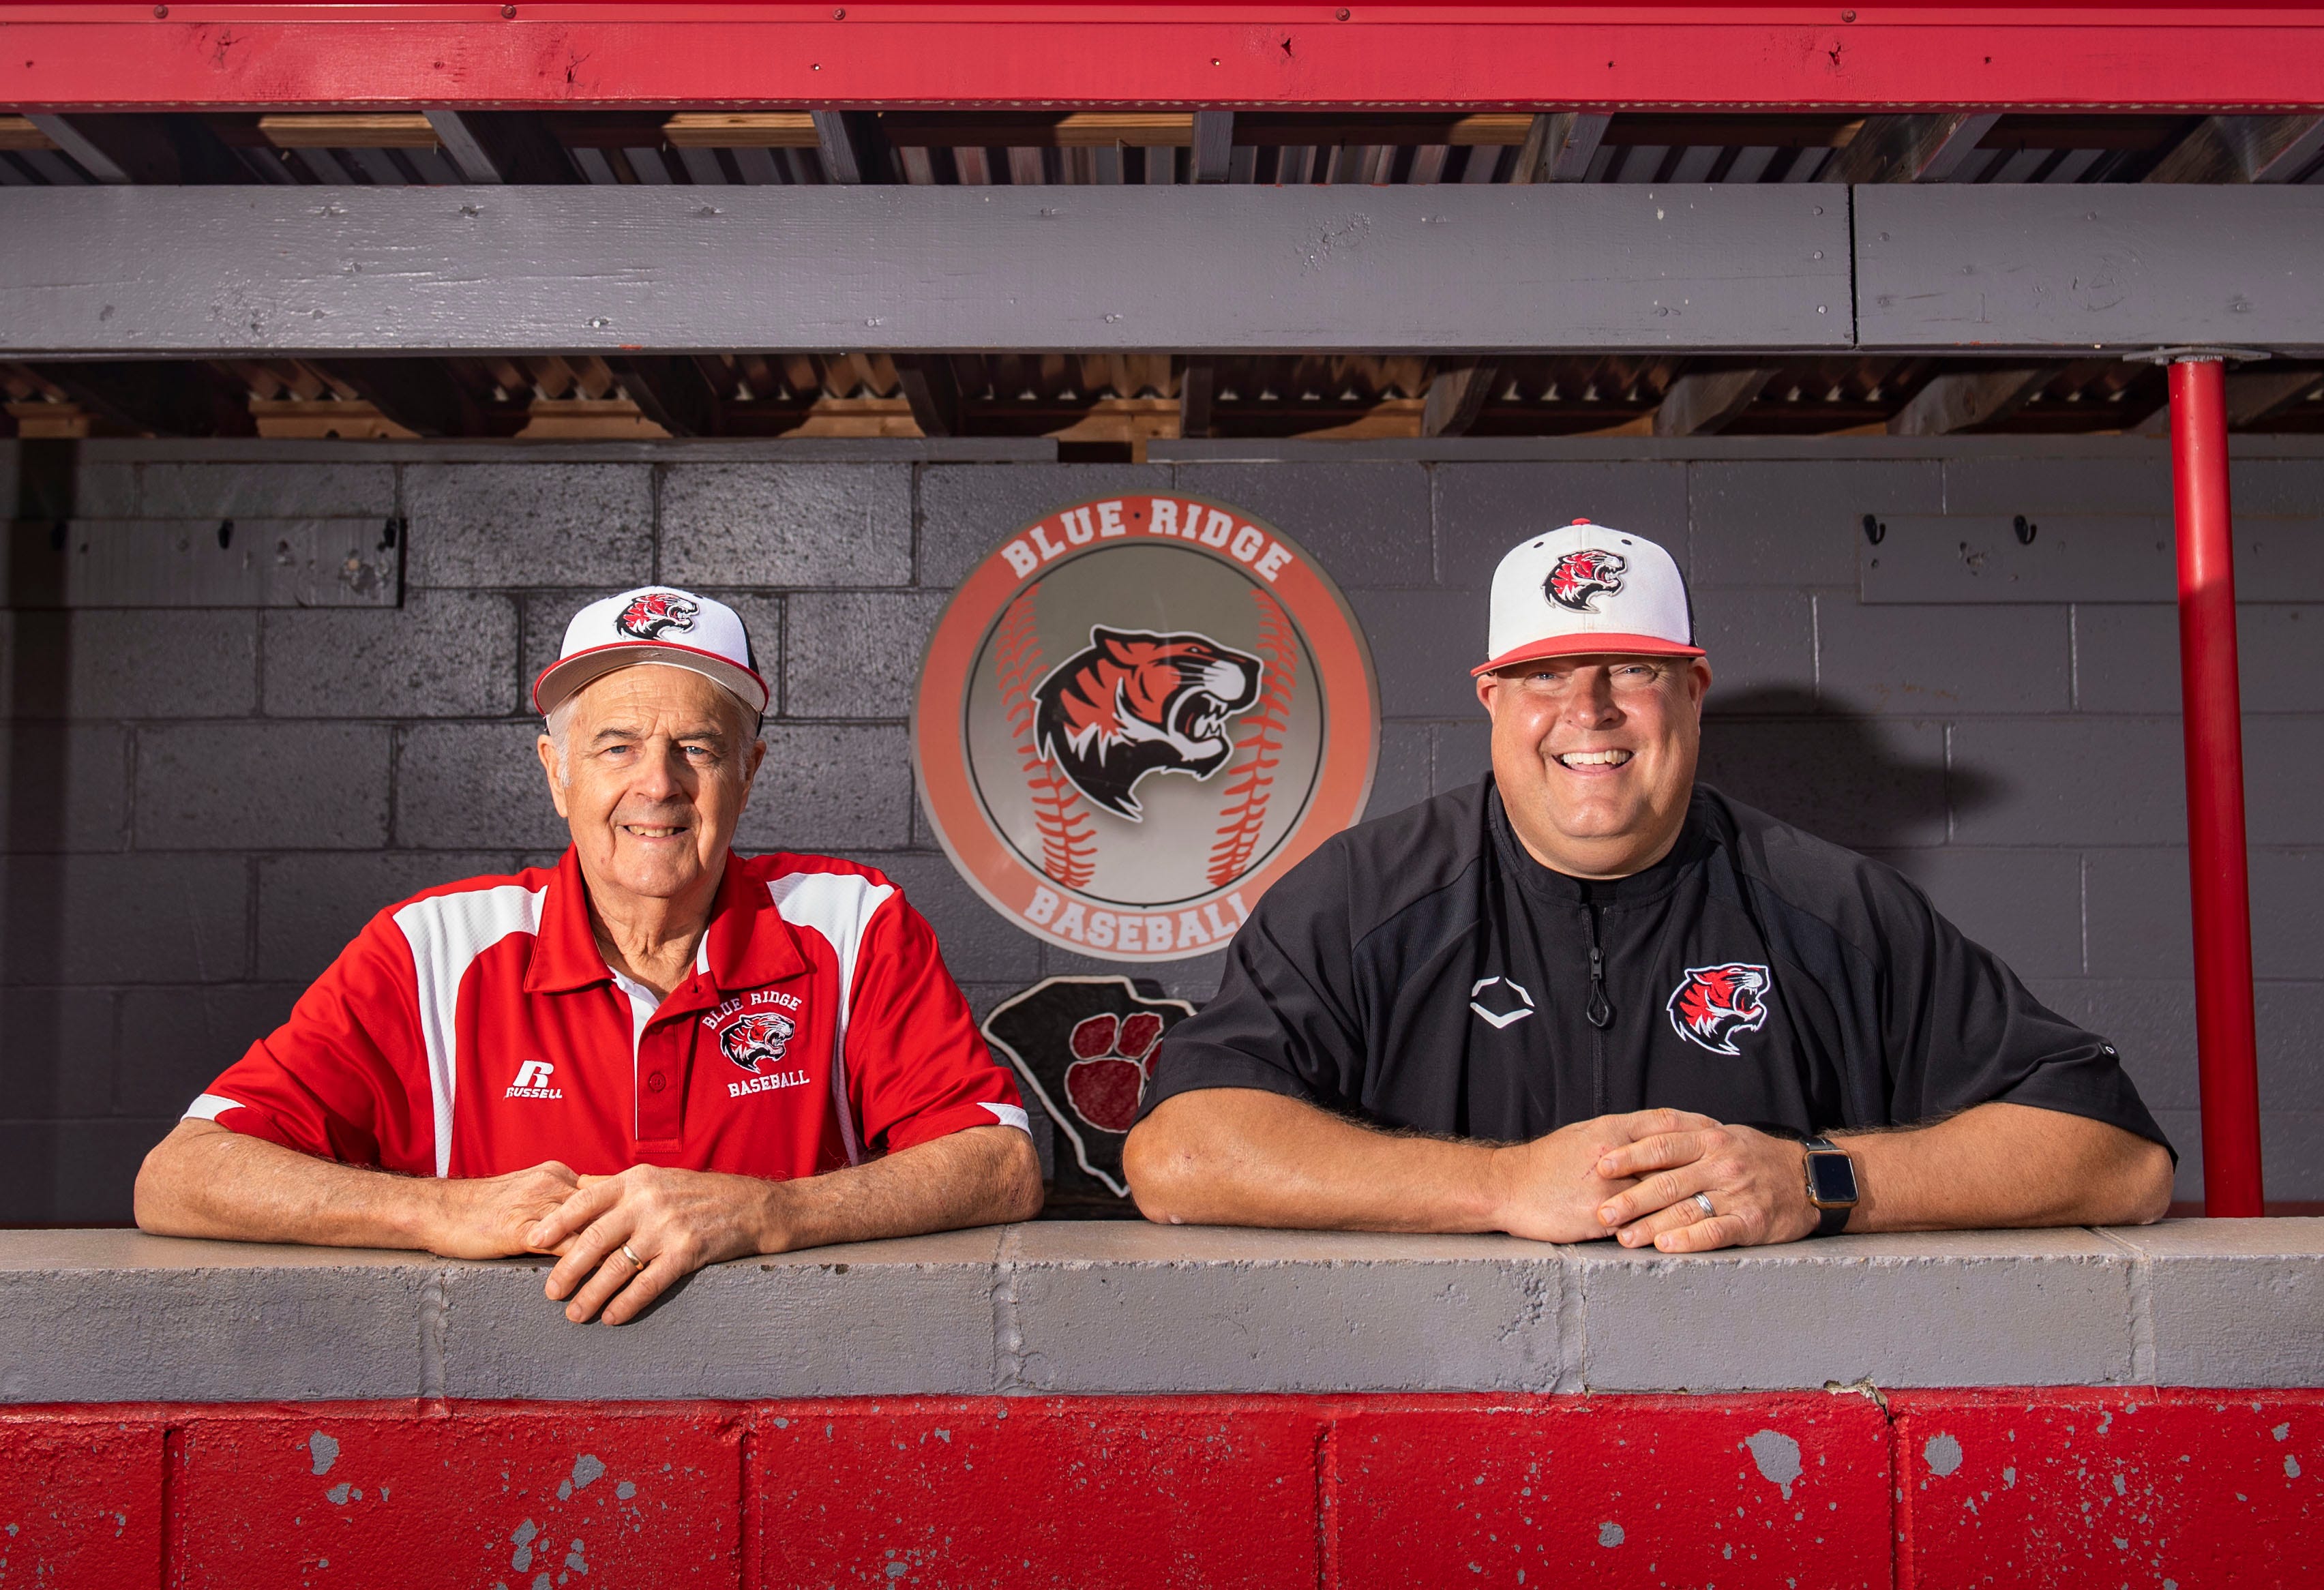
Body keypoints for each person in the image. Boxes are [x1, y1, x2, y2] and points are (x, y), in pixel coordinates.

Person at [1123, 522, 2173, 1251]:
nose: (1589, 708)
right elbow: (1179, 1153)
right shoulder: (1359, 900)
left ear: (1692, 691)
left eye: (1631, 668)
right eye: (1545, 673)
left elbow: (2119, 1159)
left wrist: (1816, 1181)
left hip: (1771, 1433)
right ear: (1491, 698)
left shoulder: (1832, 907)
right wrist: (1499, 1187)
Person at [136, 586, 1041, 1324]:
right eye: (616, 746)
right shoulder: (432, 949)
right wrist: (440, 1212)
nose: (659, 783)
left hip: (794, 1417)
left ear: (748, 774)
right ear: (556, 772)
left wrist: (771, 1213)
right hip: (497, 1438)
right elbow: (181, 1175)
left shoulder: (852, 923)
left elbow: (1000, 1162)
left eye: (697, 747)